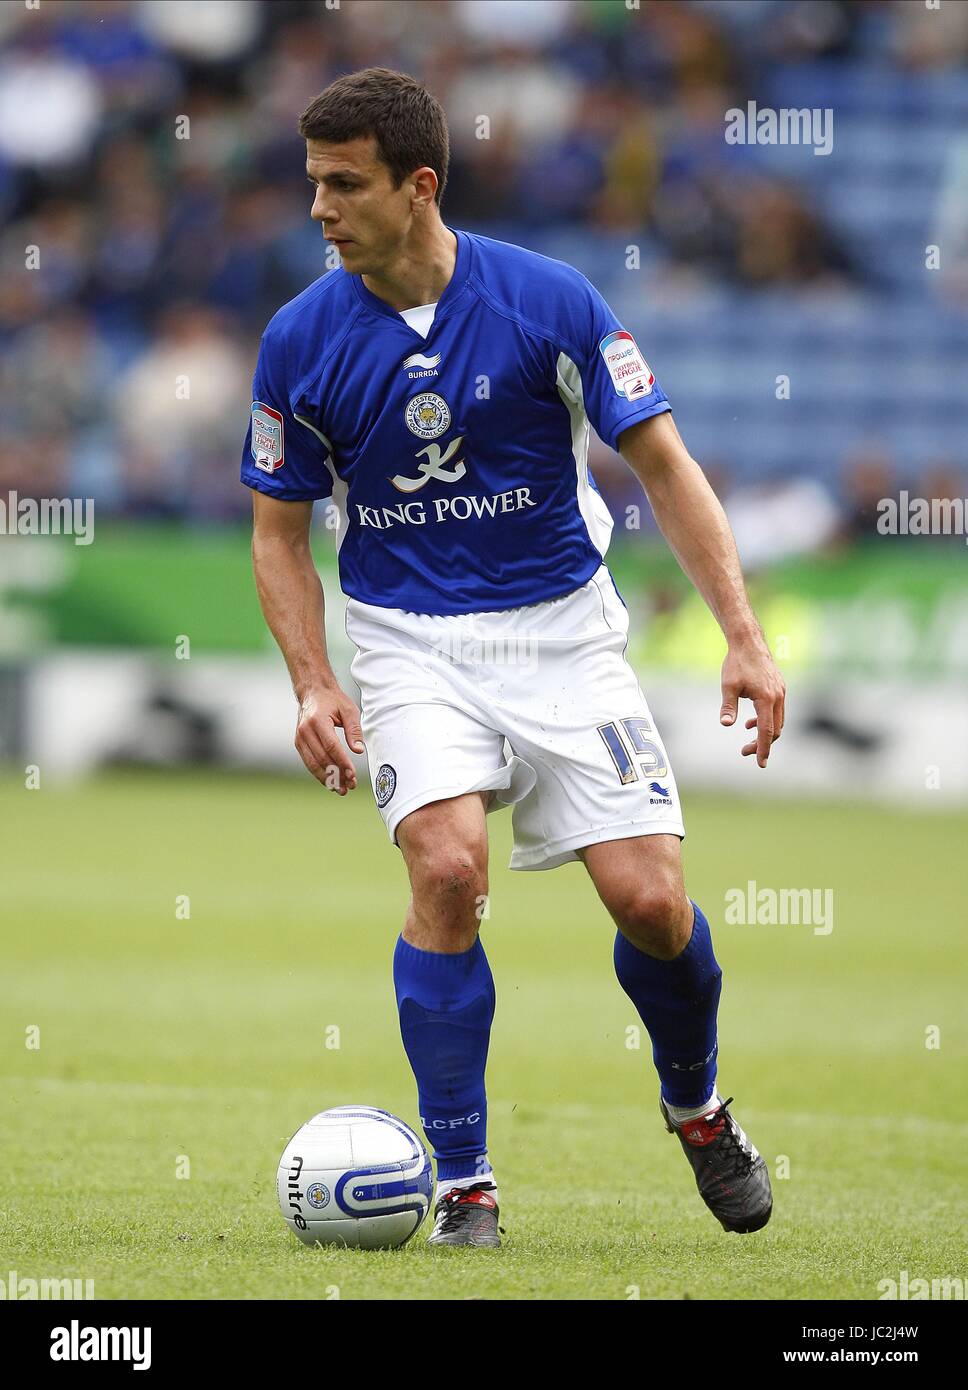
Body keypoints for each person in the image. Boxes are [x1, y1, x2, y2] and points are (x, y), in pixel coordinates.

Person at [243, 67, 786, 1249]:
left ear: (418, 185)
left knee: (651, 904)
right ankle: (464, 1183)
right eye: (313, 183)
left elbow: (664, 467)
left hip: (562, 633)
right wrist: (314, 679)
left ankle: (695, 1106)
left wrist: (742, 637)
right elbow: (276, 533)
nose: (320, 209)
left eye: (345, 185)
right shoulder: (298, 339)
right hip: (408, 642)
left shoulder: (549, 299)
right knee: (446, 873)